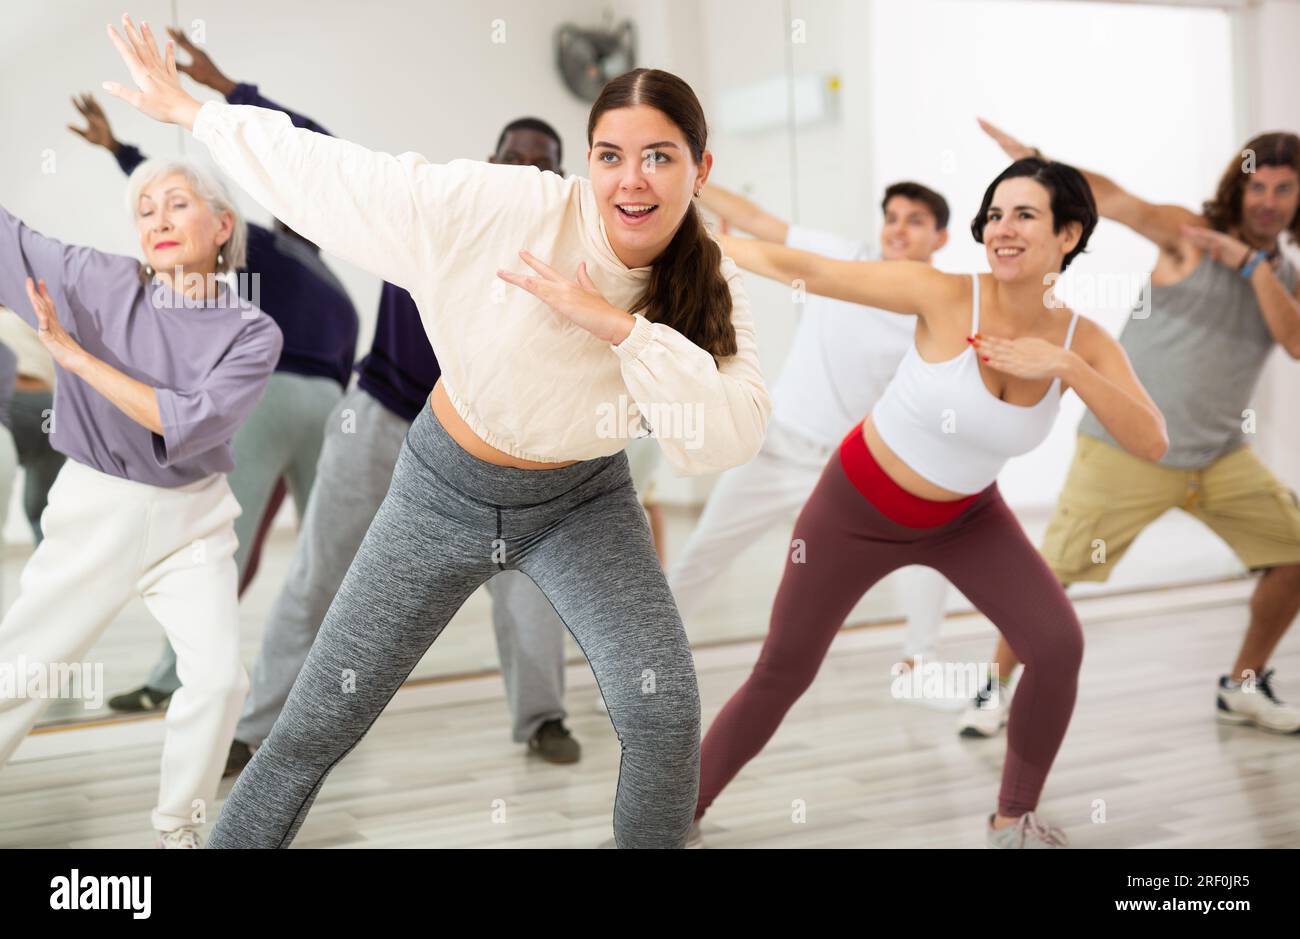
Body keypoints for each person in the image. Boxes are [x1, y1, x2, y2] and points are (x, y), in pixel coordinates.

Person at [104, 17, 769, 848]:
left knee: (663, 709)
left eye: (660, 157)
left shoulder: (716, 282)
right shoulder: (510, 204)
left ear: (700, 169)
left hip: (581, 502)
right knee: (315, 725)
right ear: (585, 163)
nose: (631, 181)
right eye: (611, 155)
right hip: (443, 488)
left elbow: (725, 437)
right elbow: (342, 176)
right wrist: (202, 115)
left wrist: (619, 328)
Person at [694, 156, 1167, 848]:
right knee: (783, 669)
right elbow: (810, 269)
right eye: (995, 213)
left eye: (1025, 214)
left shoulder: (1081, 339)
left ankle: (1012, 819)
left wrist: (1065, 368)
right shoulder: (944, 294)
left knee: (1057, 643)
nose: (1002, 228)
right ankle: (679, 808)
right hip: (853, 507)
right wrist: (688, 237)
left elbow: (1151, 439)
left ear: (1069, 235)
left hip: (967, 518)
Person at [961, 121, 1300, 738]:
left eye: (1284, 189)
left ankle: (1243, 685)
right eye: (1258, 188)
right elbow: (1116, 201)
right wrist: (1042, 169)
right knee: (1052, 574)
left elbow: (1296, 342)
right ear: (1238, 190)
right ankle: (994, 687)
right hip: (1125, 447)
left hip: (1220, 455)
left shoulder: (1287, 279)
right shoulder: (1189, 237)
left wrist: (1253, 265)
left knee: (1295, 556)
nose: (1268, 202)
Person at [67, 33, 358, 712]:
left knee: (336, 557)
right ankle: (173, 678)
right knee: (221, 543)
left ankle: (328, 685)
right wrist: (123, 147)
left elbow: (322, 151)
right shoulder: (256, 247)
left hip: (331, 414)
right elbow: (178, 194)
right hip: (264, 400)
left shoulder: (329, 271)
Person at [0, 156, 282, 848]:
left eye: (176, 203)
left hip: (193, 519)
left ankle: (178, 831)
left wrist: (75, 358)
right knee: (22, 671)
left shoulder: (253, 331)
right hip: (98, 506)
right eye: (145, 207)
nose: (157, 218)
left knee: (219, 681)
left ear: (222, 225)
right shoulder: (94, 280)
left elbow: (187, 419)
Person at [671, 181, 954, 668]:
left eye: (915, 221)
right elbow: (760, 222)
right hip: (775, 449)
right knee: (703, 552)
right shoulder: (845, 258)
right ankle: (640, 662)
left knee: (931, 540)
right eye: (893, 217)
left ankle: (919, 660)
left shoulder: (937, 308)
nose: (899, 230)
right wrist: (690, 178)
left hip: (848, 467)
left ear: (940, 238)